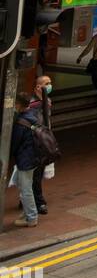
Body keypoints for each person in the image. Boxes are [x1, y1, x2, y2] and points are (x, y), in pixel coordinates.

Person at [10, 92, 42, 228]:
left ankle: (31, 218)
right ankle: (28, 212)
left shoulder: (21, 122)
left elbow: (15, 143)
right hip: (34, 157)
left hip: (25, 160)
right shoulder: (33, 114)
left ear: (18, 105)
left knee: (26, 189)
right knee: (20, 183)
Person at [26, 75, 53, 216]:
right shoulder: (31, 104)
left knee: (37, 174)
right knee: (35, 175)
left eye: (50, 83)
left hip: (43, 143)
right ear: (38, 87)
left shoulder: (47, 101)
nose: (49, 86)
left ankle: (26, 199)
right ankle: (40, 202)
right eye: (46, 83)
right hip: (34, 144)